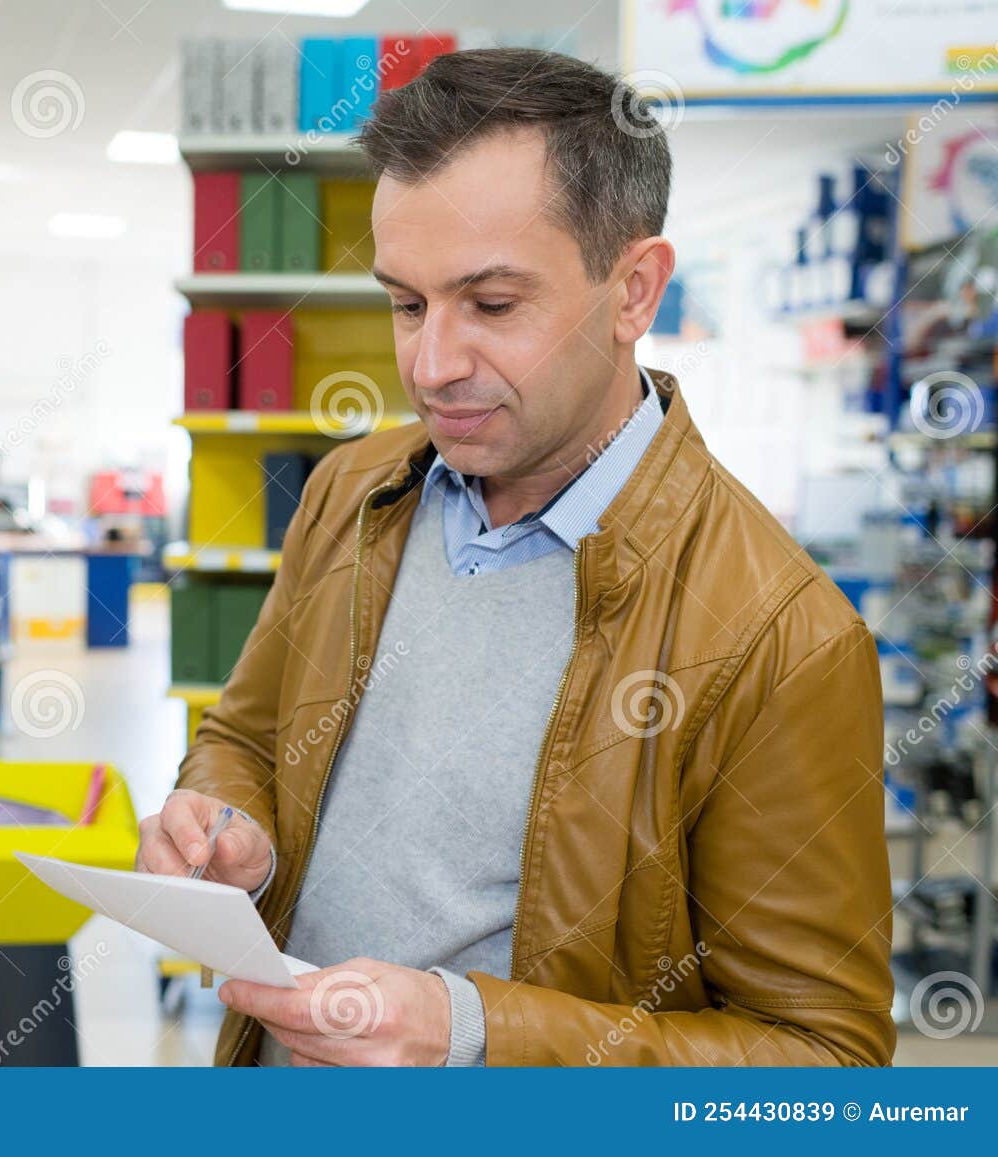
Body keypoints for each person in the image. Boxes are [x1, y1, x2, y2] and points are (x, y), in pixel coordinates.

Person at [135, 48, 893, 1067]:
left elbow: (823, 1060)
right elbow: (249, 734)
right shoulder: (354, 490)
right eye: (406, 304)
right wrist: (231, 830)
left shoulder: (779, 636)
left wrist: (479, 1037)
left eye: (491, 306)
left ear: (633, 291)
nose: (433, 365)